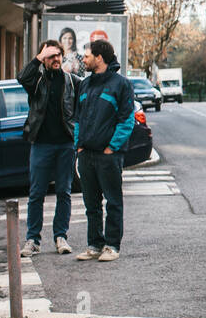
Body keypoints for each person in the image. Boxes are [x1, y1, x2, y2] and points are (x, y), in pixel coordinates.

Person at [16, 40, 79, 257]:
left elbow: (82, 107)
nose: (55, 59)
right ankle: (33, 239)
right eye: (51, 56)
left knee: (64, 191)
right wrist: (38, 58)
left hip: (65, 145)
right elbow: (22, 77)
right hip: (41, 144)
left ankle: (61, 237)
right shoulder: (37, 82)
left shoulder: (71, 81)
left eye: (58, 55)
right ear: (44, 57)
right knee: (36, 194)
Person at [73, 38, 134, 262]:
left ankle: (112, 246)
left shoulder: (121, 84)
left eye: (87, 55)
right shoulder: (85, 84)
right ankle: (94, 245)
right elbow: (78, 118)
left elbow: (126, 121)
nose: (84, 59)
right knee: (91, 204)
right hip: (86, 154)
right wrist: (78, 145)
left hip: (108, 156)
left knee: (113, 202)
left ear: (99, 58)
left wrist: (111, 148)